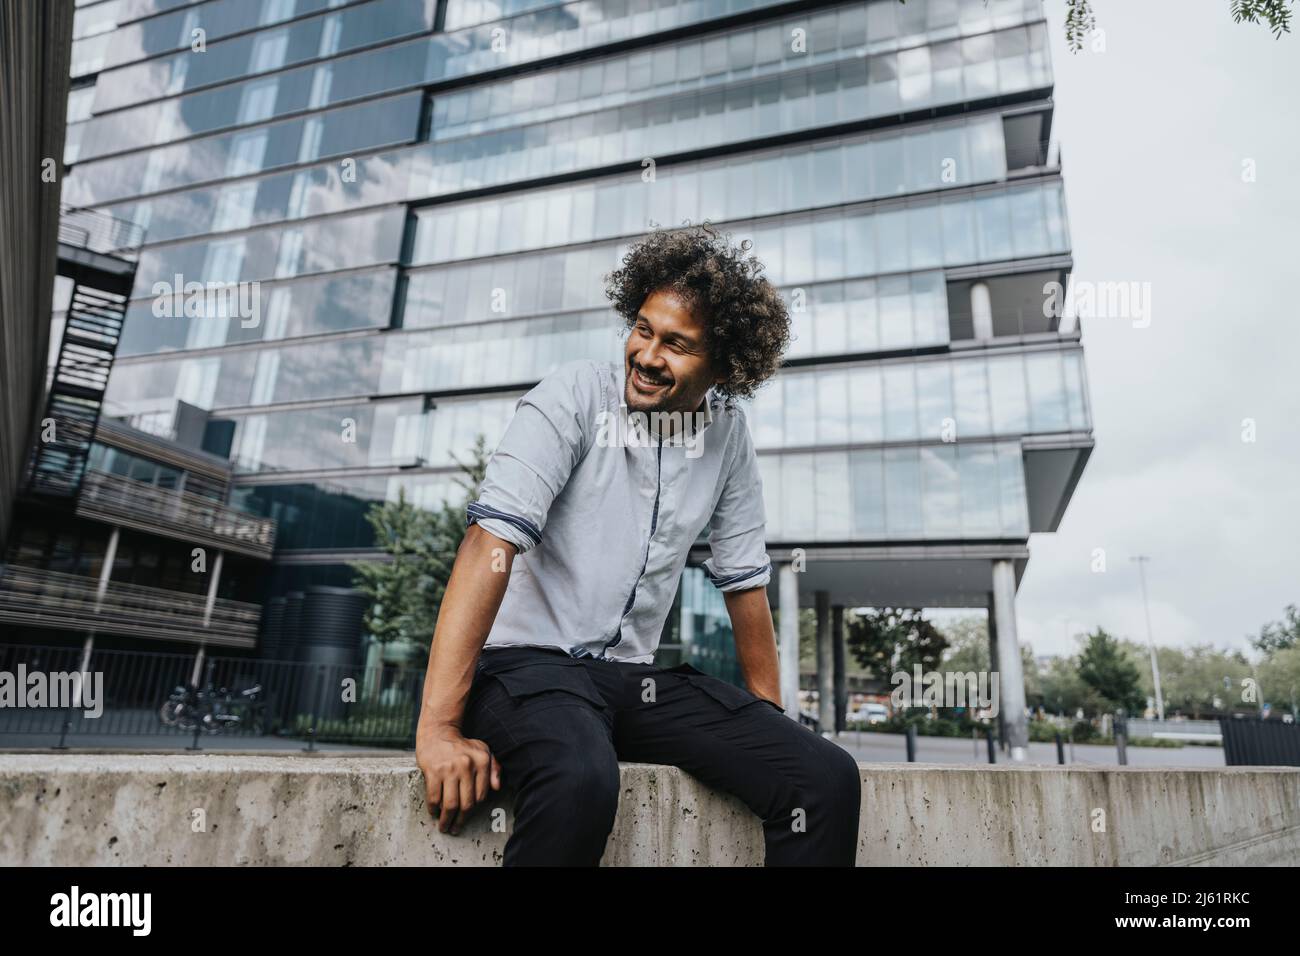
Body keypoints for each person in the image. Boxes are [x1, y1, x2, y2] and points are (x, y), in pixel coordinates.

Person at [414, 223, 861, 866]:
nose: (648, 355)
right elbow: (491, 542)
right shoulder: (572, 395)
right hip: (523, 669)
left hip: (630, 684)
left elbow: (744, 583)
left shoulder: (728, 435)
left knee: (823, 778)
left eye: (677, 344)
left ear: (724, 365)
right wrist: (439, 729)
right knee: (580, 779)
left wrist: (767, 724)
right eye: (644, 329)